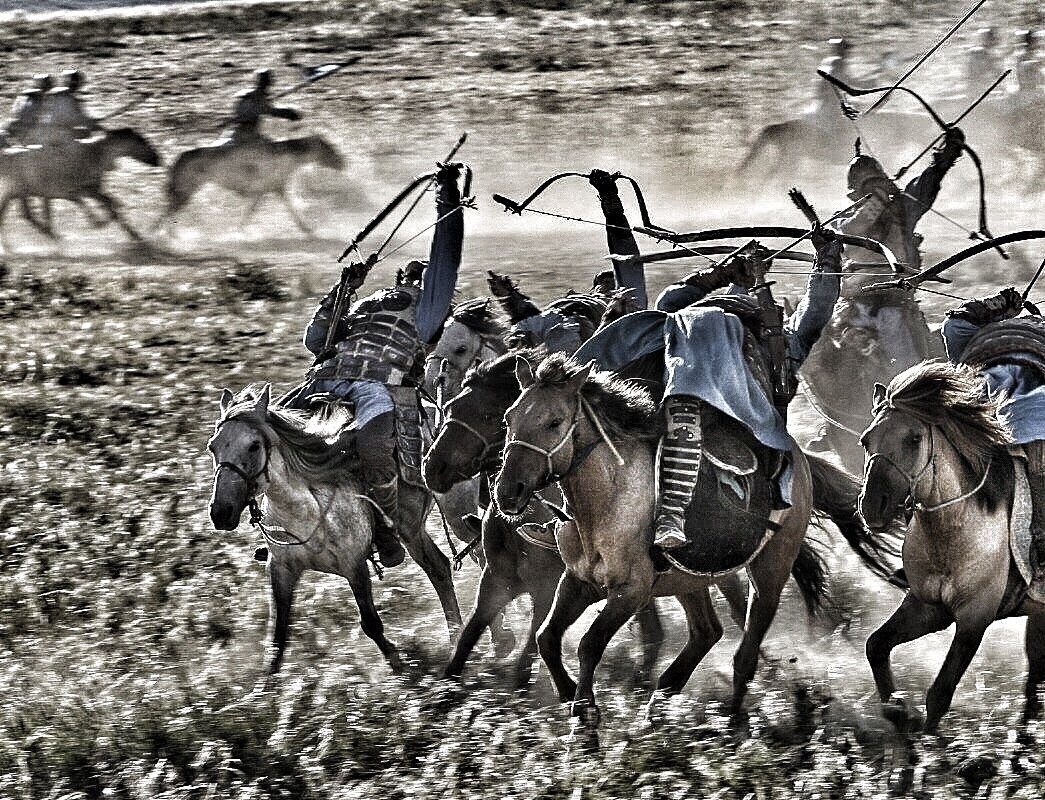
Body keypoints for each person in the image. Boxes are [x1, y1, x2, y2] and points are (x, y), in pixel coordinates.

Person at [572, 228, 844, 549]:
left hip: (731, 410)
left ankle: (671, 512)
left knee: (685, 400)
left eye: (740, 292)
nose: (734, 296)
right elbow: (671, 300)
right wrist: (723, 272)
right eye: (732, 292)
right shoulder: (683, 323)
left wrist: (826, 261)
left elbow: (816, 310)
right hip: (665, 380)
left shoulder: (779, 339)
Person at [287, 162, 467, 567]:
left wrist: (447, 198)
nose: (415, 277)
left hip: (379, 390)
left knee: (373, 450)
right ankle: (281, 525)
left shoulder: (428, 310)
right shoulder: (365, 304)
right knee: (261, 430)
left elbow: (445, 257)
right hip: (325, 379)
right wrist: (342, 291)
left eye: (423, 276)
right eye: (410, 273)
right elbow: (317, 341)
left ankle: (386, 527)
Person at [942, 287, 1045, 584]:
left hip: (1006, 415)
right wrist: (997, 306)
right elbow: (955, 325)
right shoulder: (979, 337)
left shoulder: (976, 337)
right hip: (987, 415)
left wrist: (996, 306)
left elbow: (953, 326)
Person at [838, 126, 965, 278]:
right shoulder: (844, 219)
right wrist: (880, 199)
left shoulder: (901, 208)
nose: (874, 190)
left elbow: (926, 184)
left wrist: (946, 156)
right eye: (869, 187)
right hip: (858, 296)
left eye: (877, 184)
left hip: (898, 291)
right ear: (858, 192)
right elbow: (851, 229)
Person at [226, 68, 301, 144]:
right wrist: (290, 113)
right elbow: (271, 111)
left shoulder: (249, 95)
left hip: (238, 134)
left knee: (267, 140)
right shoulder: (257, 97)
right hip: (247, 137)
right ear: (269, 82)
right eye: (266, 81)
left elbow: (265, 109)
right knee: (273, 147)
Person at [38, 69, 101, 145]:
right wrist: (95, 126)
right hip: (58, 135)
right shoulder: (69, 97)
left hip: (42, 131)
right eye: (78, 83)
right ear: (75, 83)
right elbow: (80, 118)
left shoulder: (52, 93)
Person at [6, 73, 53, 146]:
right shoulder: (42, 99)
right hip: (26, 134)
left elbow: (14, 114)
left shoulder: (24, 95)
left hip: (14, 129)